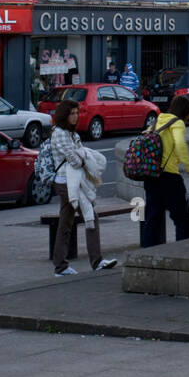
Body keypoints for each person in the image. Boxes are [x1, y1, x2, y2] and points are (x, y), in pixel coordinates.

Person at [50, 97, 117, 278]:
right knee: (90, 216)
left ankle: (61, 267)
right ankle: (96, 261)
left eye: (77, 112)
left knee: (65, 223)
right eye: (71, 113)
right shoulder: (60, 133)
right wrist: (83, 155)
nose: (75, 116)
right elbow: (75, 159)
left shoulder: (72, 133)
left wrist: (82, 155)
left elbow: (79, 156)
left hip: (72, 183)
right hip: (66, 183)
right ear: (64, 115)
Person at [139, 95, 189, 248]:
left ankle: (148, 252)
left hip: (151, 176)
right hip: (169, 176)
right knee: (182, 218)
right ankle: (184, 250)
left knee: (153, 217)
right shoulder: (178, 123)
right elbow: (179, 143)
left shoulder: (158, 120)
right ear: (185, 112)